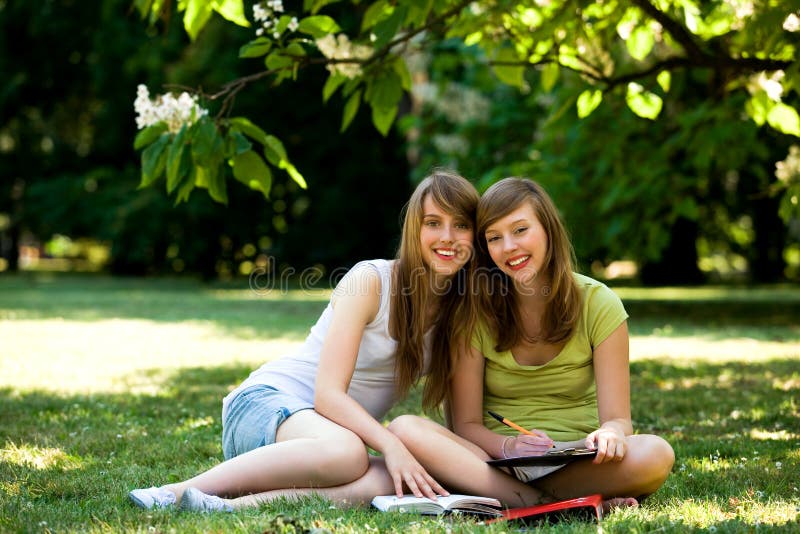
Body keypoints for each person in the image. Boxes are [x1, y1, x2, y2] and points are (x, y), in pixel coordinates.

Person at [128, 170, 480, 511]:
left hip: (322, 447)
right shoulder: (371, 281)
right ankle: (174, 492)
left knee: (404, 476)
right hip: (264, 408)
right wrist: (390, 443)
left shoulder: (462, 316)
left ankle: (226, 507)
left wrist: (514, 452)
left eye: (461, 225)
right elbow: (327, 396)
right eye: (433, 223)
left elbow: (463, 426)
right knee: (350, 453)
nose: (447, 236)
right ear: (414, 230)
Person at [388, 177, 675, 509]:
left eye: (520, 230)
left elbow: (619, 419)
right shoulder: (474, 312)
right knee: (404, 428)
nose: (509, 247)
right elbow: (465, 426)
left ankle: (532, 500)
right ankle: (554, 505)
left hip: (578, 458)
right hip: (495, 463)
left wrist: (609, 433)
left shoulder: (599, 303)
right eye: (494, 238)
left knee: (655, 453)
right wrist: (509, 447)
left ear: (548, 230)